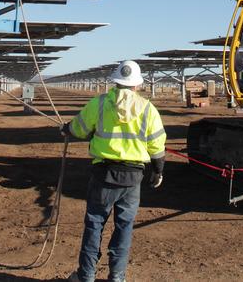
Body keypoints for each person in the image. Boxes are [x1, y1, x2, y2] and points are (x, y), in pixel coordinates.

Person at [63, 60, 166, 282]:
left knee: (94, 224)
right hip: (132, 178)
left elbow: (79, 129)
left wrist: (67, 129)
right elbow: (157, 145)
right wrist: (158, 170)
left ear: (115, 82)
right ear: (137, 85)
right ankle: (117, 277)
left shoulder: (98, 104)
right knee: (124, 227)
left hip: (103, 175)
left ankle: (86, 276)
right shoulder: (148, 109)